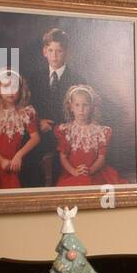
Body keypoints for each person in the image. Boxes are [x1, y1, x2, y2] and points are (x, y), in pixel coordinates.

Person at [28, 28, 84, 186]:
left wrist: (61, 128)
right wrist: (38, 122)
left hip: (66, 135)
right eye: (50, 50)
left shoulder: (77, 80)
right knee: (32, 166)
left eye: (59, 51)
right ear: (44, 51)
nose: (54, 55)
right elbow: (28, 106)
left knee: (60, 172)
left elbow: (80, 112)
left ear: (66, 52)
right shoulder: (35, 77)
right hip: (39, 133)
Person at [55, 85, 122, 187]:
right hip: (72, 173)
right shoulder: (66, 130)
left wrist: (90, 171)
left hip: (95, 172)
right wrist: (74, 171)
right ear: (71, 107)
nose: (81, 109)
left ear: (91, 107)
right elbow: (63, 157)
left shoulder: (100, 132)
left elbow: (101, 158)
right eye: (77, 105)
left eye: (85, 105)